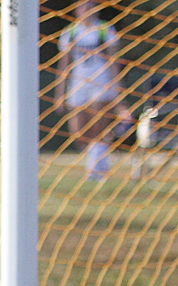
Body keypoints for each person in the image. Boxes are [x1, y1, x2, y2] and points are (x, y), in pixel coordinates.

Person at [56, 0, 130, 180]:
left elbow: (113, 61)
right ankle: (99, 163)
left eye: (90, 6)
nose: (86, 10)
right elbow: (64, 64)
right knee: (79, 132)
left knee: (98, 127)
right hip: (78, 85)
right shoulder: (71, 32)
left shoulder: (105, 30)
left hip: (102, 83)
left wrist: (118, 90)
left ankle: (96, 170)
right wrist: (60, 92)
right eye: (82, 7)